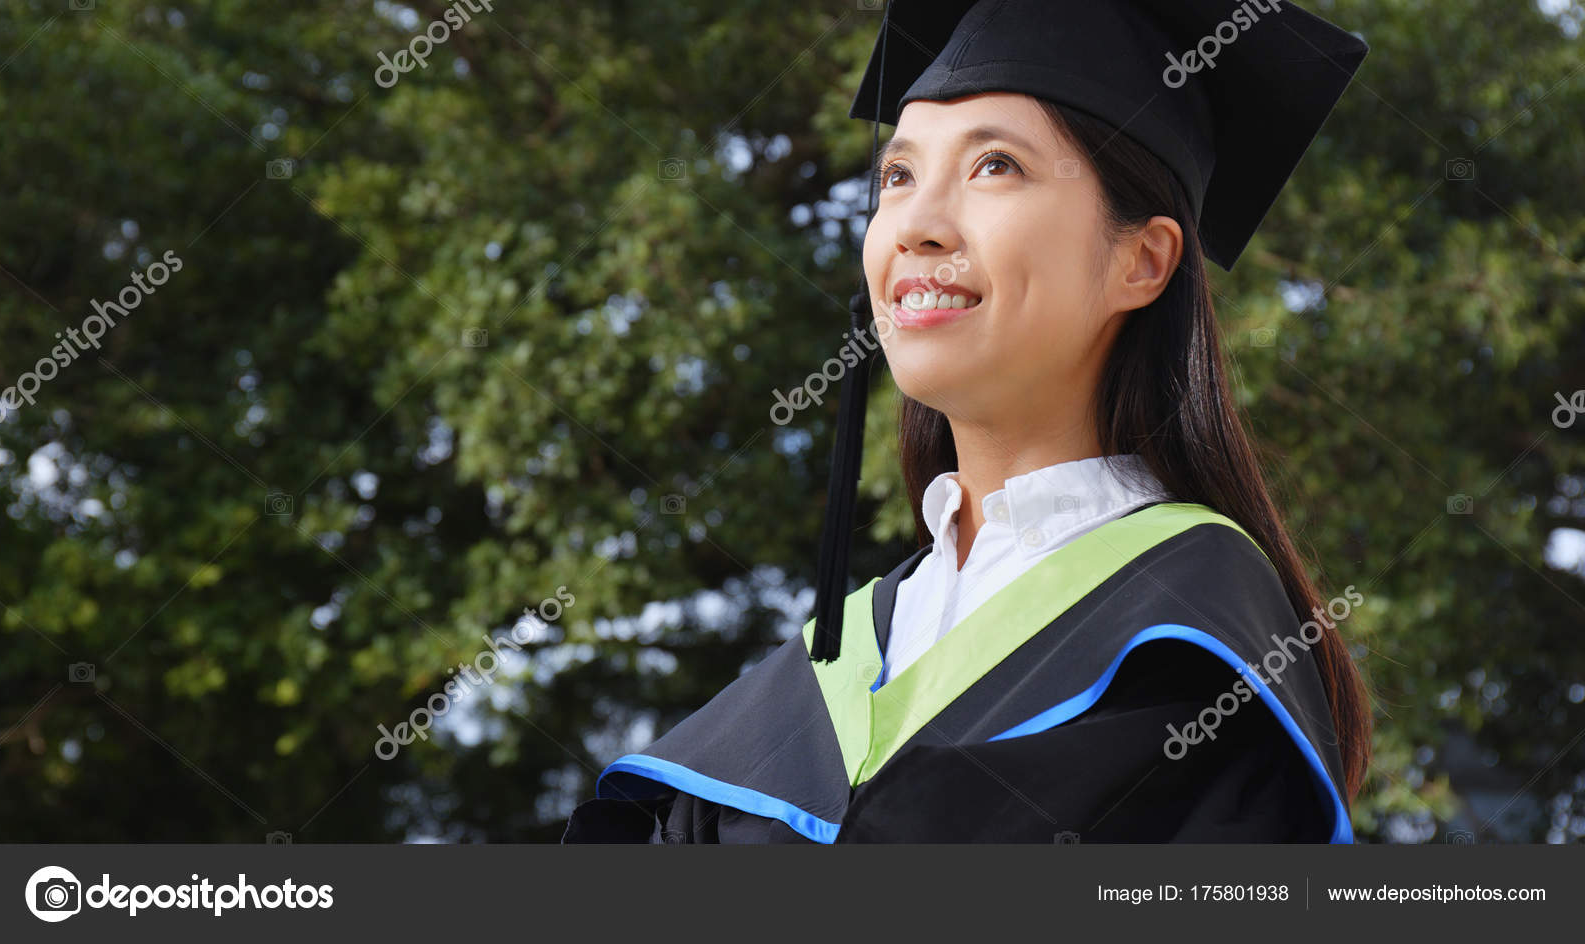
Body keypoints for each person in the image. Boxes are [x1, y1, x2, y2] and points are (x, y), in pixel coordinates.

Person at [564, 0, 1373, 843]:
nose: (913, 225)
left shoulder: (1192, 641)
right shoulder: (837, 661)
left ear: (1143, 260)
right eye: (898, 176)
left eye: (994, 166)